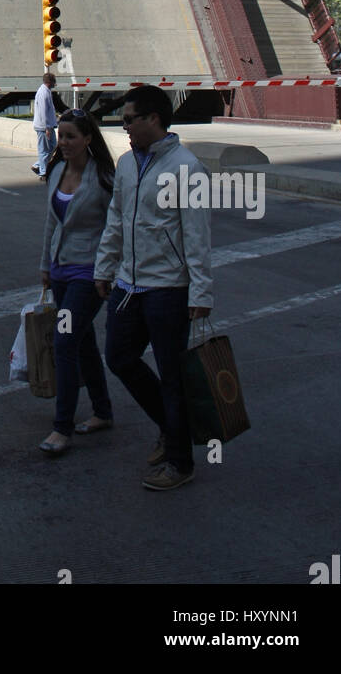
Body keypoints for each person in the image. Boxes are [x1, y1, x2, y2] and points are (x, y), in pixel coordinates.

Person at [94, 85, 212, 491]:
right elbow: (115, 219)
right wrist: (104, 267)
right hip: (128, 284)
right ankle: (169, 425)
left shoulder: (187, 168)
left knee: (174, 376)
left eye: (129, 119)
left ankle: (181, 463)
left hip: (168, 289)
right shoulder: (126, 164)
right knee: (120, 357)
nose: (124, 126)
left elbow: (197, 236)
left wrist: (201, 293)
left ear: (153, 119)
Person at [38, 108, 116, 455]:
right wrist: (45, 265)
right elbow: (51, 224)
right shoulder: (56, 171)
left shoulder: (103, 178)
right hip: (60, 271)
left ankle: (61, 428)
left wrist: (109, 269)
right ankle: (102, 411)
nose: (64, 142)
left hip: (90, 272)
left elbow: (116, 228)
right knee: (82, 343)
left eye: (71, 136)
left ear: (88, 139)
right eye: (60, 135)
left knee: (64, 342)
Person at [31, 72, 57, 179]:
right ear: (50, 82)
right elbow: (43, 111)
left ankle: (37, 165)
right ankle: (43, 172)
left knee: (53, 147)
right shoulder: (43, 93)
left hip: (49, 126)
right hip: (44, 127)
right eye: (54, 81)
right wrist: (46, 127)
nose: (55, 84)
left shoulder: (46, 91)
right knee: (44, 150)